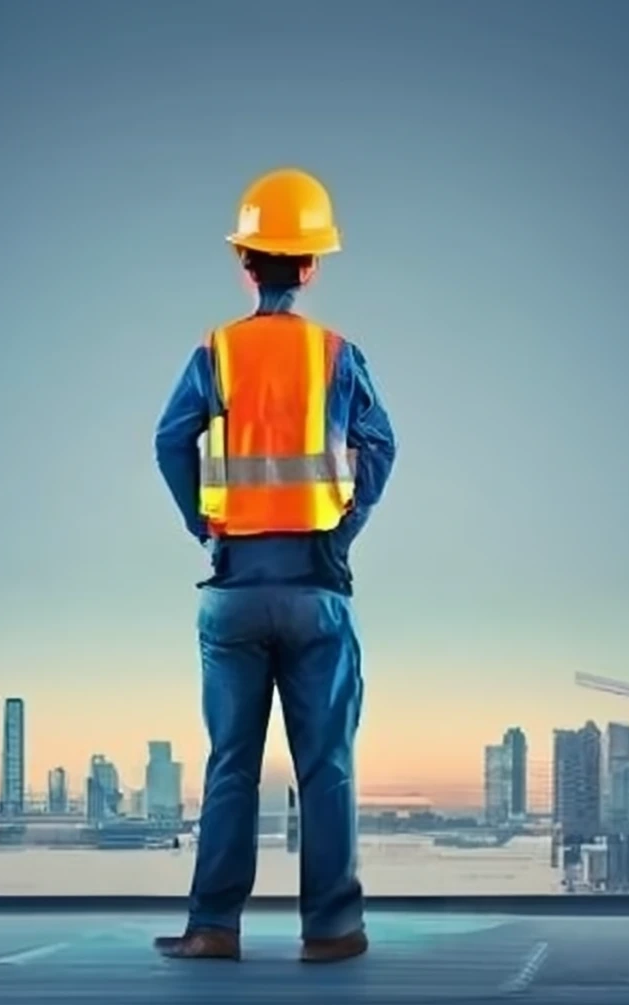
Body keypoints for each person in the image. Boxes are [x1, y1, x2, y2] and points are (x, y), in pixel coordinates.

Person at [153, 168, 396, 963]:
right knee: (324, 767)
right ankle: (331, 931)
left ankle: (214, 928)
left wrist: (204, 522)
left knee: (232, 766)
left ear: (246, 263)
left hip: (232, 589)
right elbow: (383, 447)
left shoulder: (215, 352)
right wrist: (342, 529)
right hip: (317, 587)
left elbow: (168, 441)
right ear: (313, 266)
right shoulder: (336, 355)